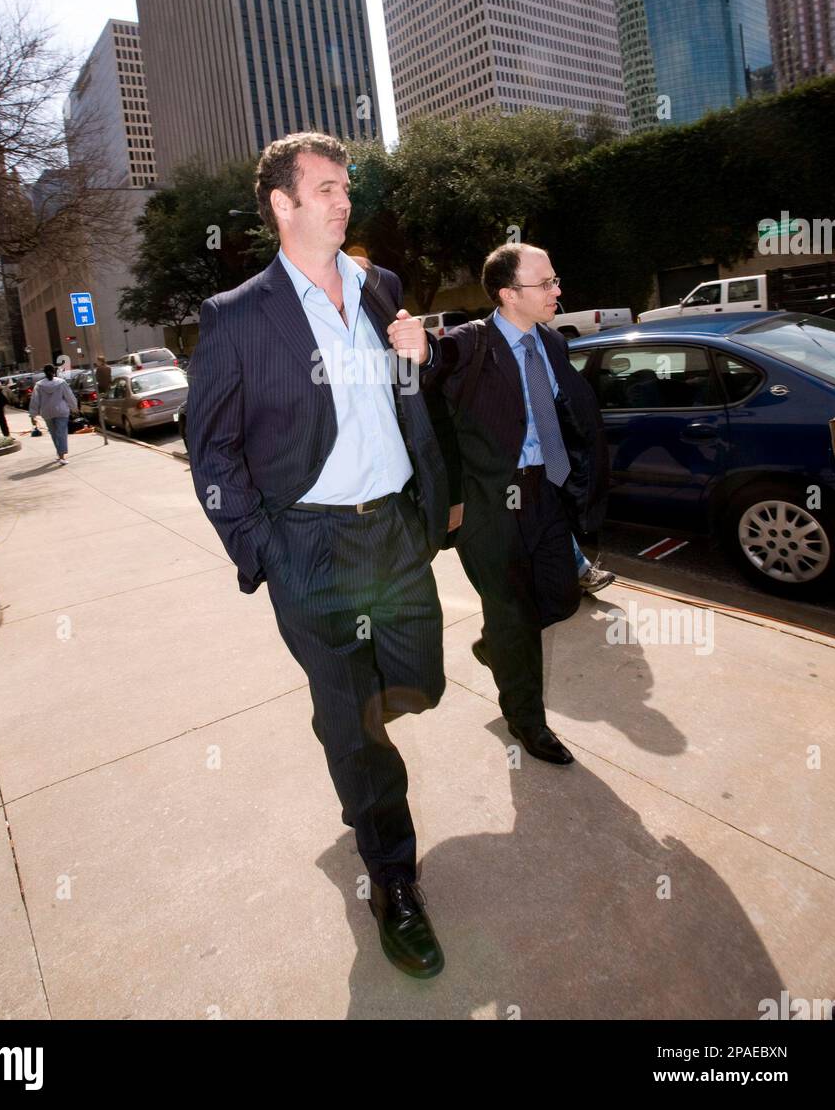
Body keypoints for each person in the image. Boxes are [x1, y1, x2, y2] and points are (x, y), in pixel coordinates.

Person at [186, 131, 451, 979]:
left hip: (398, 535)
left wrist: (422, 360)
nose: (343, 201)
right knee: (361, 725)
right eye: (327, 188)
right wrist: (259, 546)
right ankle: (395, 882)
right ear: (283, 204)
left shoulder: (380, 287)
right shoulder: (236, 317)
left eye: (346, 188)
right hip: (312, 546)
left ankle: (345, 729)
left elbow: (407, 391)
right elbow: (212, 451)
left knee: (419, 682)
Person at [390, 242, 609, 767]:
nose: (557, 290)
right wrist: (421, 349)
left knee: (559, 598)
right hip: (491, 505)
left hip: (546, 494)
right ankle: (527, 721)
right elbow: (438, 359)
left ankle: (494, 645)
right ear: (509, 294)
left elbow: (570, 415)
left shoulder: (552, 344)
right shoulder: (473, 342)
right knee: (514, 613)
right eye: (546, 284)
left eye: (555, 280)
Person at [29, 363, 77, 465]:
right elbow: (69, 396)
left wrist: (33, 415)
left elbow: (35, 400)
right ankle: (62, 455)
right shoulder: (61, 383)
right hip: (61, 411)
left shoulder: (39, 385)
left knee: (54, 434)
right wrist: (74, 407)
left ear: (44, 373)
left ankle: (59, 454)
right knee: (62, 433)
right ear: (54, 372)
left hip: (47, 412)